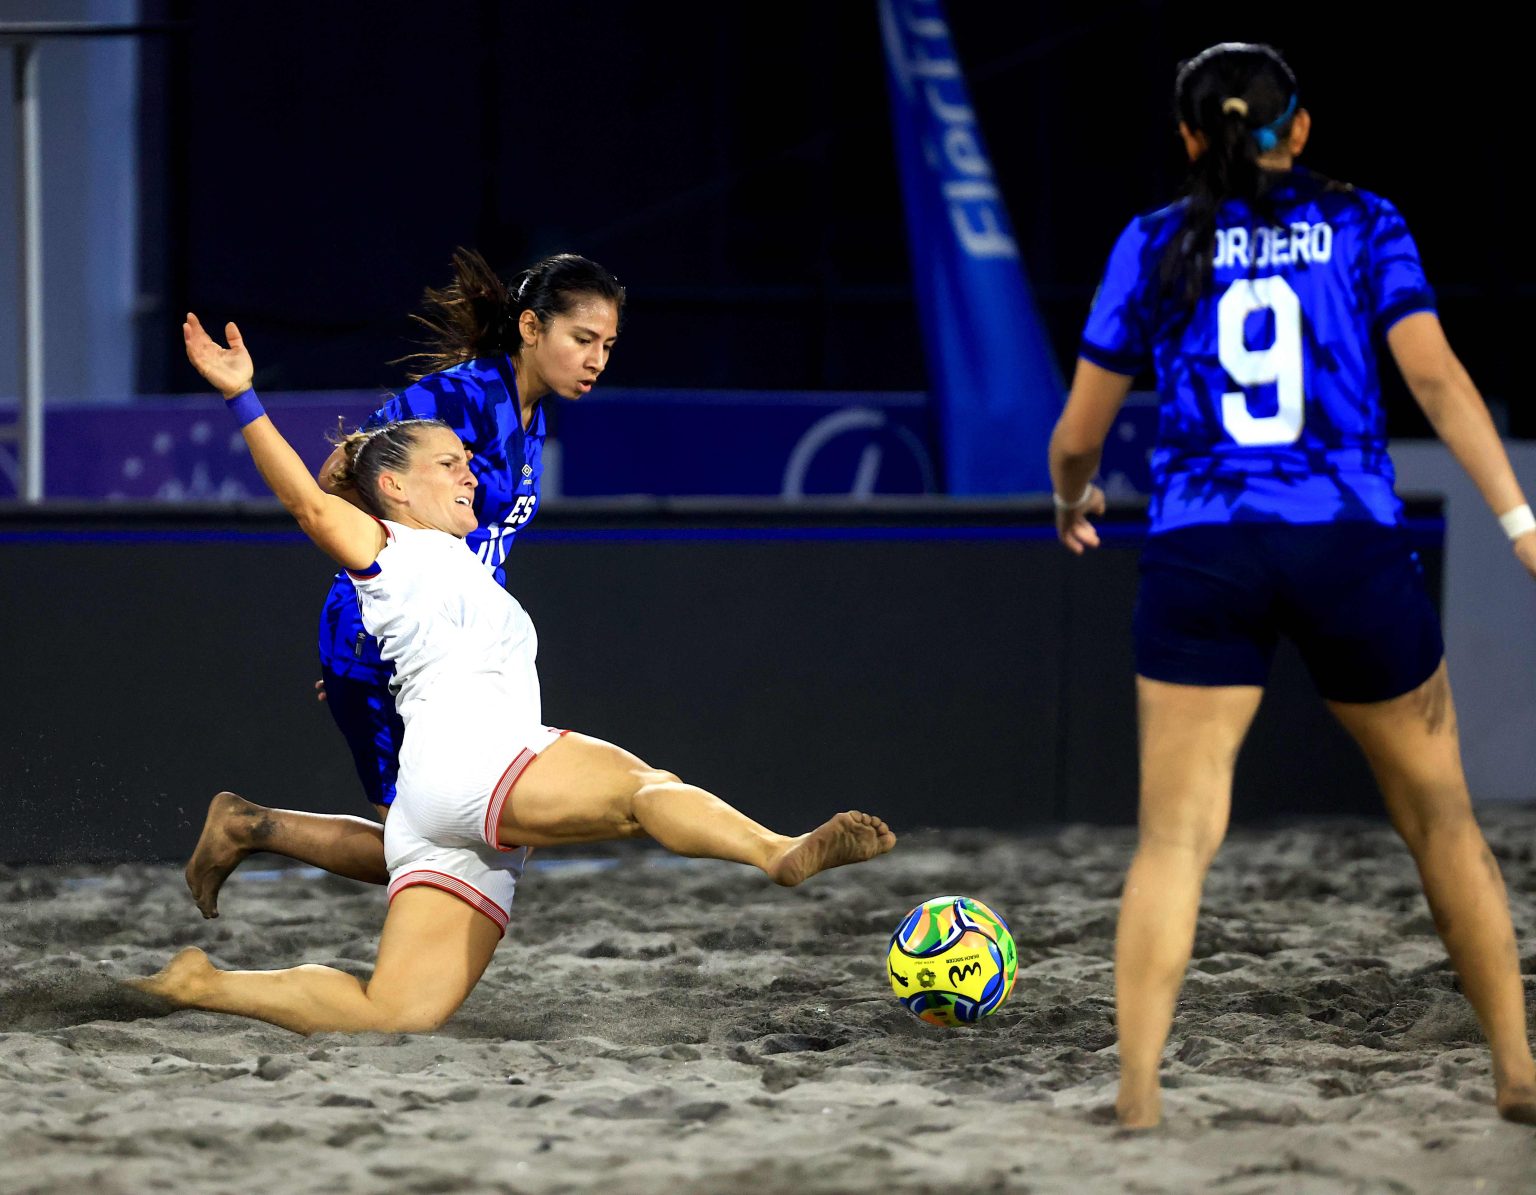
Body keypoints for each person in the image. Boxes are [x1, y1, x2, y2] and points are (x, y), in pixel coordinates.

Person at [134, 314, 896, 1035]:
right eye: (450, 463)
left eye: (469, 460)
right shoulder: (386, 547)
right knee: (641, 790)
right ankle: (777, 852)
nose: (471, 473)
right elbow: (305, 500)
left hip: (439, 808)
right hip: (479, 762)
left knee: (393, 1012)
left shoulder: (454, 566)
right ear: (396, 487)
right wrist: (241, 394)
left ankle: (202, 984)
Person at [1047, 42, 1536, 1129]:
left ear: (1186, 138)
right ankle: (1517, 1070)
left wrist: (1070, 501)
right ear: (1299, 128)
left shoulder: (1150, 241)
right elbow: (1437, 378)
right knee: (1445, 821)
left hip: (1205, 552)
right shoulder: (1366, 222)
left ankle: (1135, 1097)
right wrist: (1518, 519)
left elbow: (1079, 434)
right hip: (1346, 544)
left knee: (1174, 838)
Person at [183, 249, 611, 919]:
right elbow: (336, 473)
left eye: (607, 345)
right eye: (582, 339)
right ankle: (246, 826)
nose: (596, 359)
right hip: (398, 632)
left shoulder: (532, 417)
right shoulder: (462, 397)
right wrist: (380, 632)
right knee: (440, 848)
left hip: (444, 644)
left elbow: (476, 546)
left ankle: (250, 825)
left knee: (470, 840)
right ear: (532, 328)